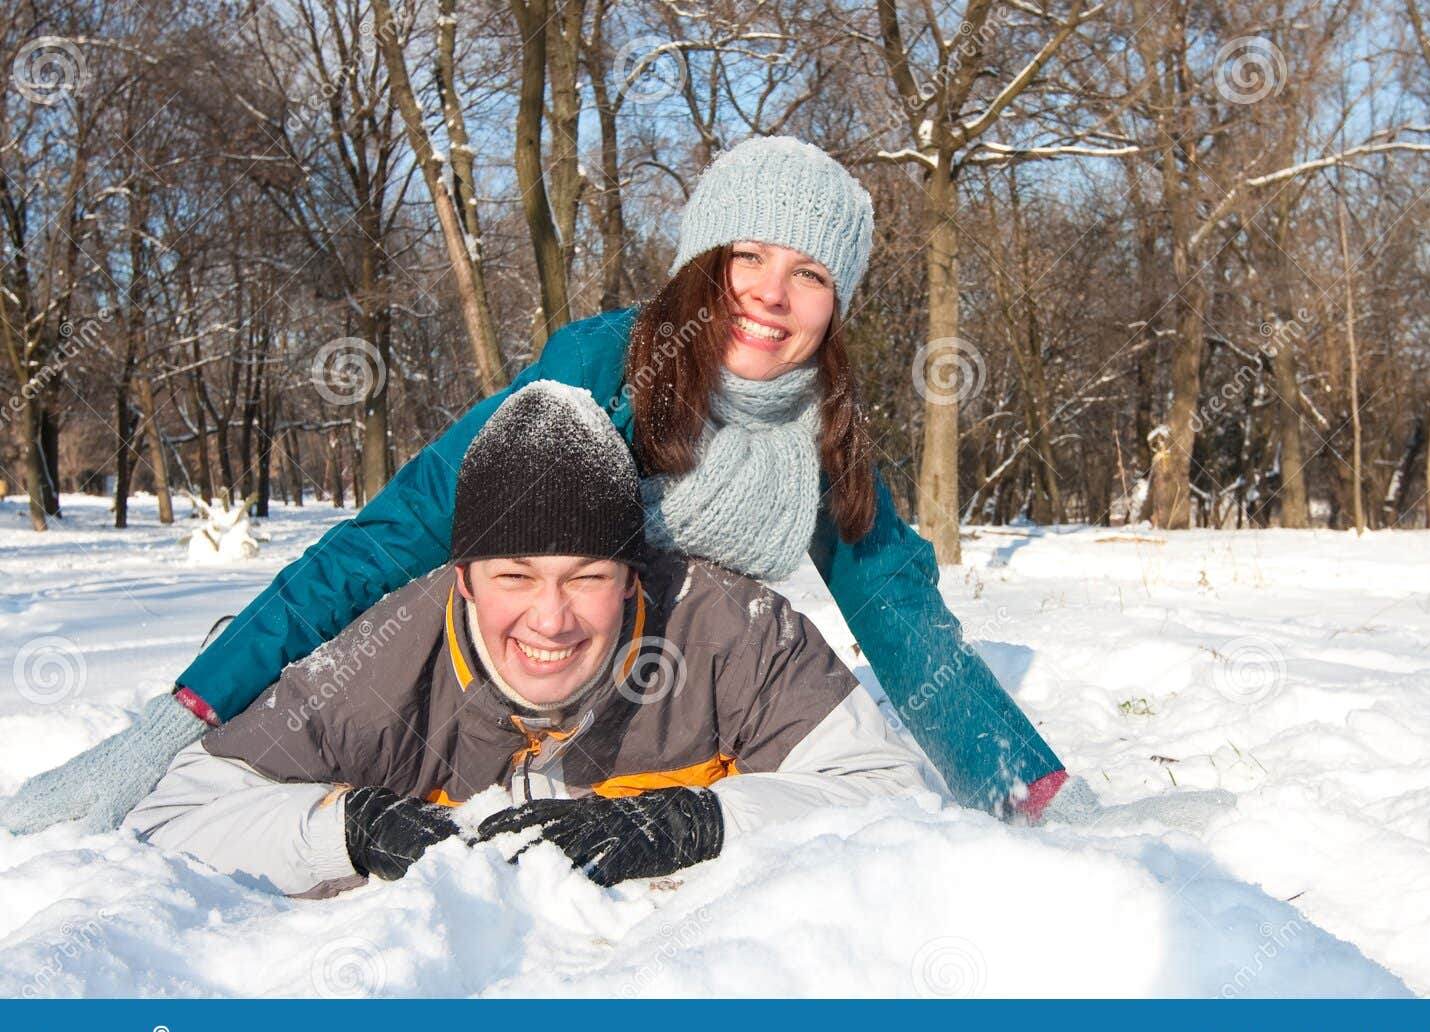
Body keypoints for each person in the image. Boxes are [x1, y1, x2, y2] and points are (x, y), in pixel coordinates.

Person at [3, 135, 1228, 837]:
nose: (771, 292)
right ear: (703, 262)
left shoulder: (826, 429)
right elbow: (390, 538)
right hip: (503, 654)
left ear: (837, 302)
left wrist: (1029, 787)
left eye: (808, 274)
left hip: (665, 687)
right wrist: (168, 724)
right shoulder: (601, 370)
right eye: (747, 255)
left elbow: (902, 619)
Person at [122, 382, 946, 896]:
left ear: (633, 577)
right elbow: (173, 816)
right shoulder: (375, 665)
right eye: (515, 575)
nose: (551, 619)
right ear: (464, 578)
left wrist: (694, 822)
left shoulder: (728, 630)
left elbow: (890, 792)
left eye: (586, 576)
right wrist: (350, 827)